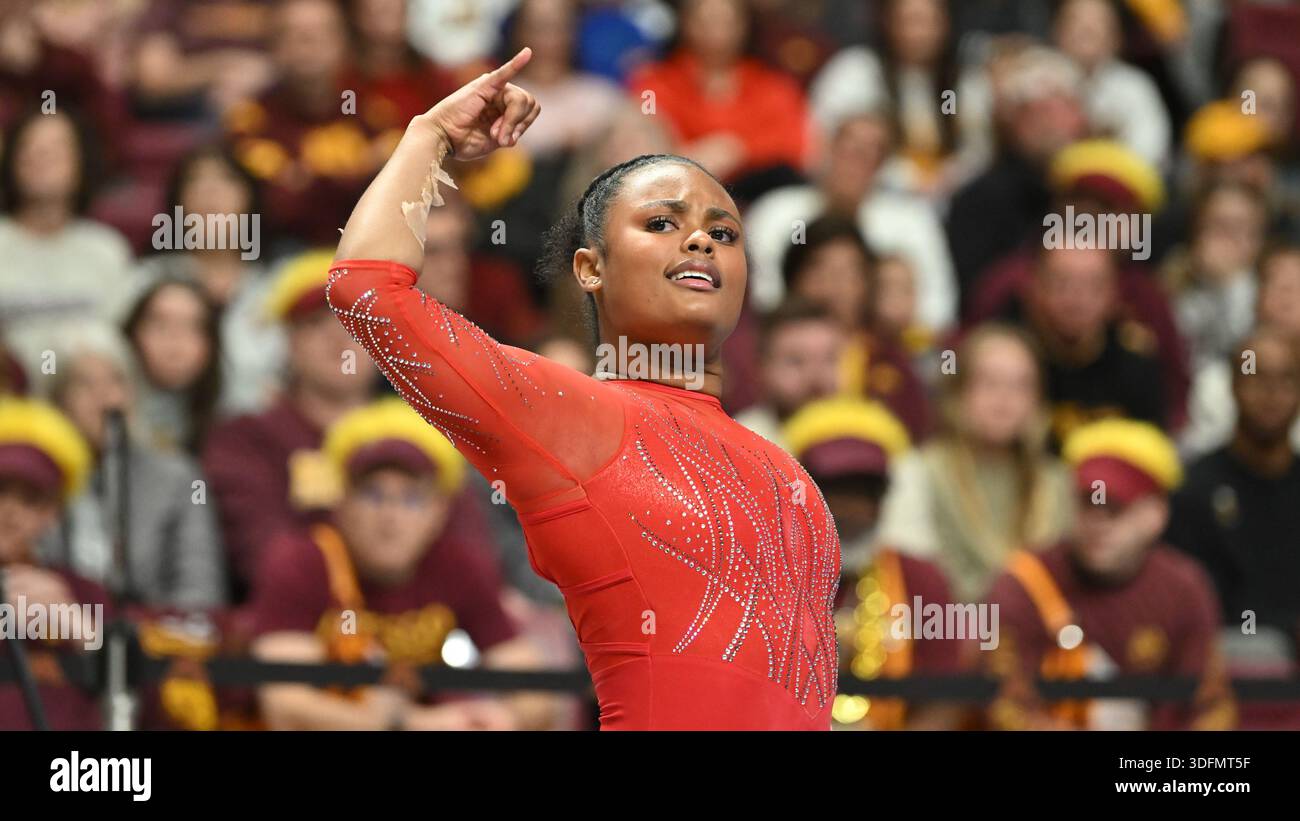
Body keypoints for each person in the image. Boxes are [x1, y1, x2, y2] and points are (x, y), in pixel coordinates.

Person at [329, 48, 842, 729]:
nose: (700, 242)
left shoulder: (791, 475)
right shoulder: (567, 412)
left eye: (723, 232)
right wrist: (430, 138)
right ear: (589, 267)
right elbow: (365, 290)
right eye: (662, 223)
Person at [250, 399, 554, 730]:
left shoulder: (457, 564)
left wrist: (501, 719)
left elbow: (536, 689)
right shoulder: (303, 562)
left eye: (412, 498)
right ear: (342, 502)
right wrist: (408, 723)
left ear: (439, 512)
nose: (391, 517)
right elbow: (284, 706)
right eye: (373, 494)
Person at [984, 419, 1234, 730]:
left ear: (1155, 514)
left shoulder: (1185, 587)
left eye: (1114, 509)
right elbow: (1000, 706)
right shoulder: (1023, 582)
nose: (1097, 524)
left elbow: (1211, 706)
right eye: (1087, 504)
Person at [202, 249, 377, 599]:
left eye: (354, 322)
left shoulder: (417, 433)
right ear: (289, 342)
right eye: (316, 322)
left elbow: (465, 555)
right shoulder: (246, 439)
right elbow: (262, 557)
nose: (338, 338)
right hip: (292, 630)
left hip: (413, 631)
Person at [784, 397, 967, 730]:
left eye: (868, 491)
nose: (853, 507)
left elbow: (945, 698)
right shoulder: (766, 574)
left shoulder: (922, 579)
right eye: (836, 489)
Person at [877, 324, 1075, 602]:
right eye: (989, 382)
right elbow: (910, 580)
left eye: (1021, 385)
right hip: (945, 630)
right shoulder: (920, 473)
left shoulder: (1057, 482)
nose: (1004, 398)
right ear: (959, 391)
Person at [39, 324, 226, 609]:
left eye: (117, 381)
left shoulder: (176, 478)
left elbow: (200, 590)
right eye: (85, 384)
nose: (106, 398)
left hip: (154, 642)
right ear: (58, 398)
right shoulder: (32, 481)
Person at [0, 398, 108, 730]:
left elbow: (139, 695)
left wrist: (82, 629)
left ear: (52, 514)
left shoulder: (82, 592)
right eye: (0, 488)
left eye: (31, 499)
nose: (10, 511)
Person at [735, 299, 846, 449]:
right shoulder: (741, 440)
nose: (816, 376)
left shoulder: (869, 432)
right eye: (796, 361)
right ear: (761, 368)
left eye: (829, 359)